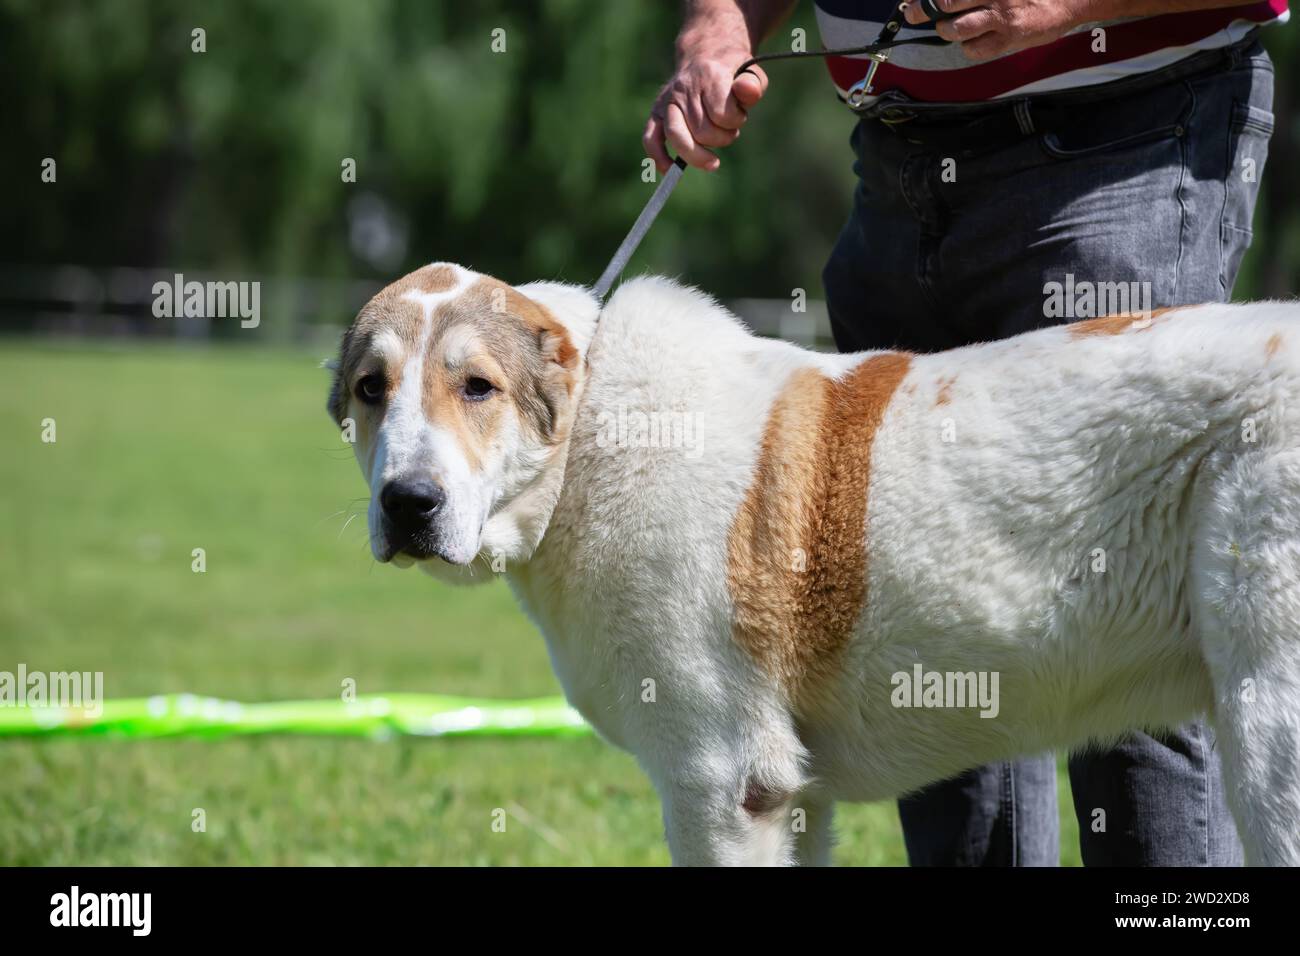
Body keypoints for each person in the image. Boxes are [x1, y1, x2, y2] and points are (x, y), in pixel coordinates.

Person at [645, 0, 1285, 866]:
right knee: (921, 638)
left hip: (1121, 136)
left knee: (1139, 677)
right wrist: (718, 29)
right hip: (896, 165)